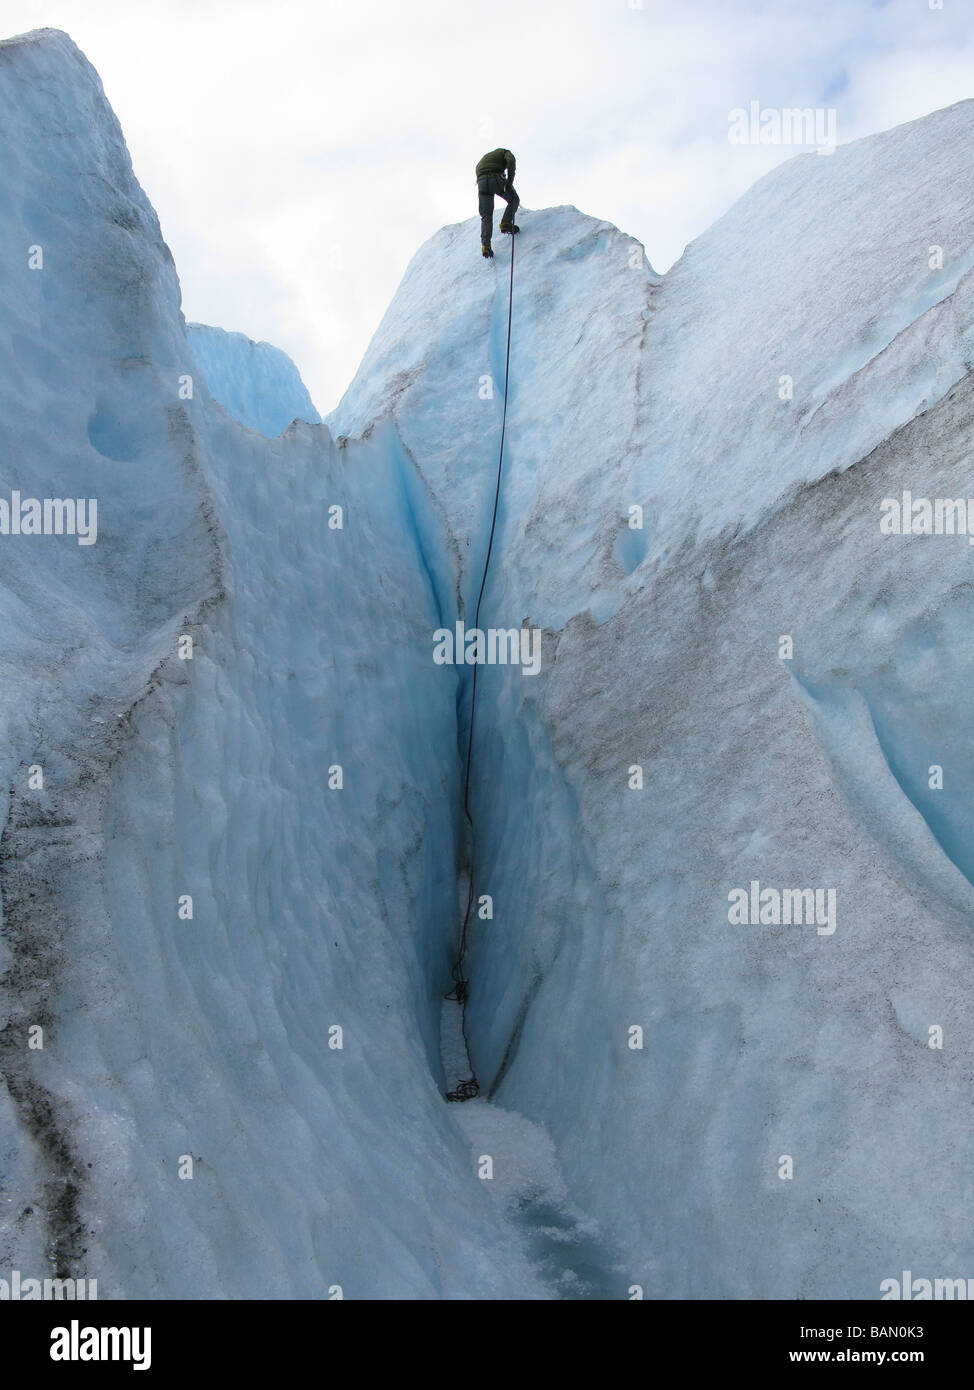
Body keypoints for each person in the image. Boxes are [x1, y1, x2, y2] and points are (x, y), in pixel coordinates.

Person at [476, 148, 520, 258]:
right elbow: (510, 162)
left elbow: (478, 168)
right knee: (514, 199)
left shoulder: (487, 157)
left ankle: (486, 246)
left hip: (481, 182)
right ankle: (506, 223)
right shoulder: (507, 153)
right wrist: (509, 182)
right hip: (494, 177)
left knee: (486, 215)